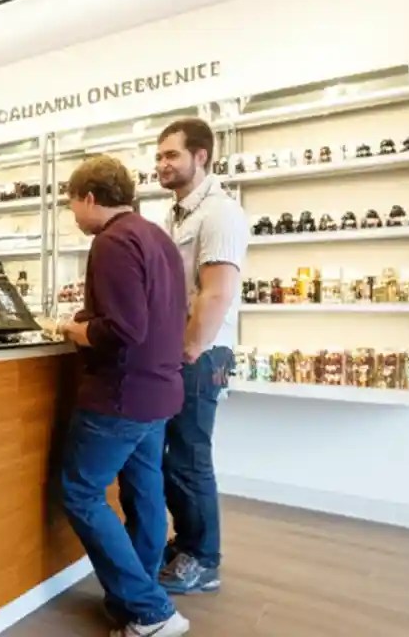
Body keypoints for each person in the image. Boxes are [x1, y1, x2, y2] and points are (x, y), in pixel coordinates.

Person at [57, 155, 190, 637]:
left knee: (81, 492)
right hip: (158, 391)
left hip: (119, 393)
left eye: (72, 204)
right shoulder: (155, 236)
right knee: (145, 490)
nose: (73, 216)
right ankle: (139, 591)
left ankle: (150, 610)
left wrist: (78, 329)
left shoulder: (111, 242)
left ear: (90, 198)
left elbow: (123, 329)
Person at [153, 118, 248, 595]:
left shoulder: (220, 214)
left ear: (201, 156)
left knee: (189, 457)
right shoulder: (177, 215)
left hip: (201, 353)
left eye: (171, 155)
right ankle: (187, 542)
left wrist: (189, 350)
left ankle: (204, 559)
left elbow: (216, 294)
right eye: (159, 157)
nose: (162, 165)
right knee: (175, 457)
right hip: (179, 351)